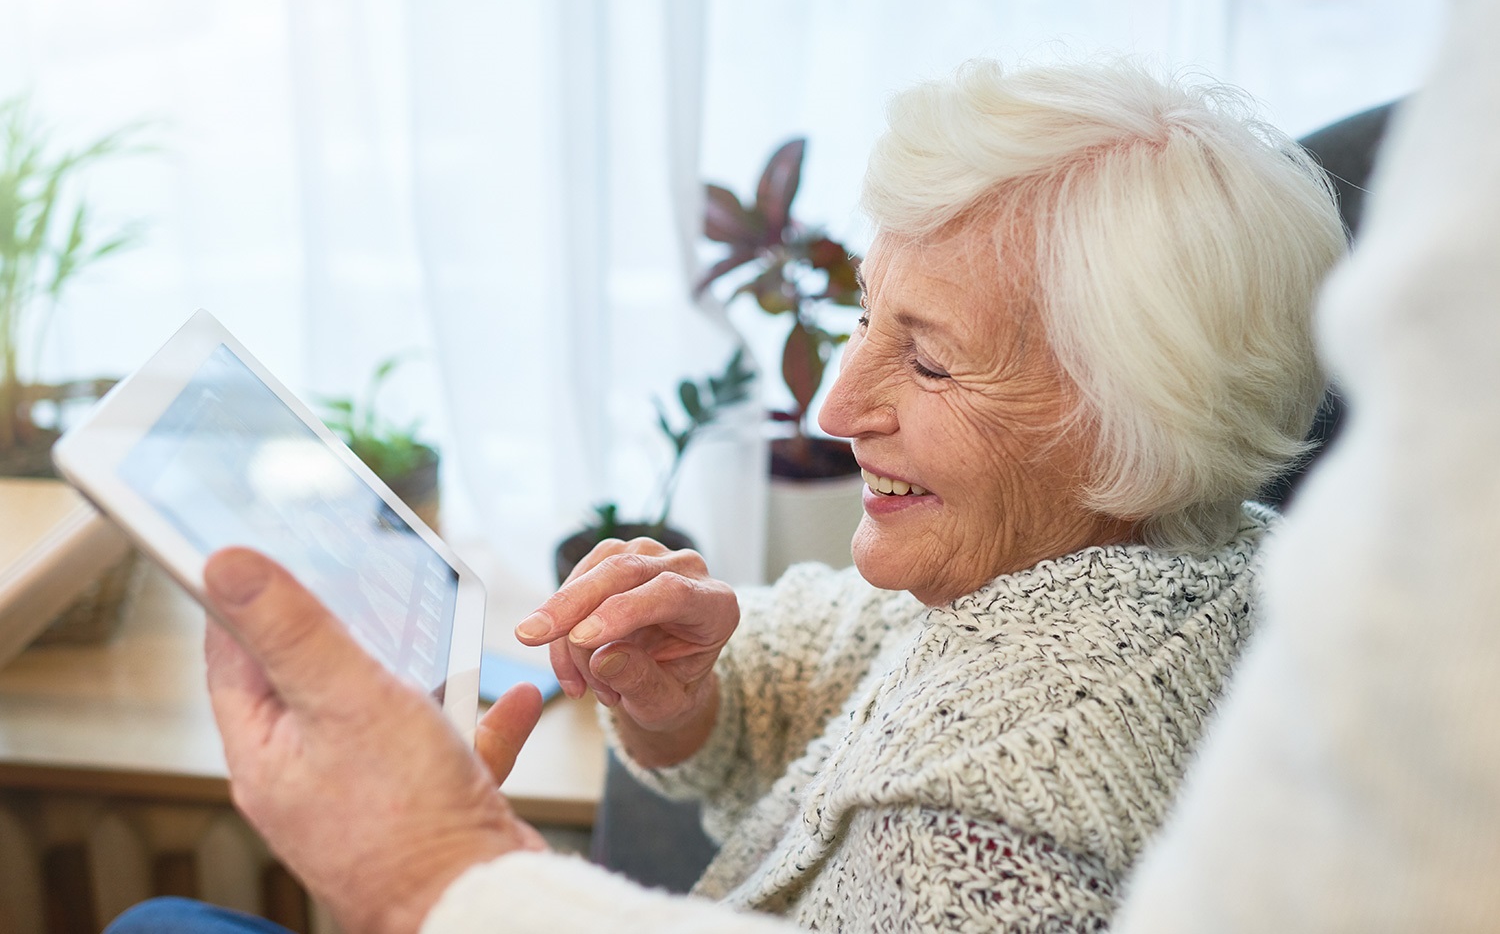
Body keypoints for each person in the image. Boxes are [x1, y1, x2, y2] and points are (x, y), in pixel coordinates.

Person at [110, 54, 1348, 934]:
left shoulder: (1008, 844)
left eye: (925, 358)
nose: (835, 404)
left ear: (1125, 427)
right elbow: (856, 664)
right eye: (869, 318)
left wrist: (436, 868)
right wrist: (687, 695)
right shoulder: (1164, 559)